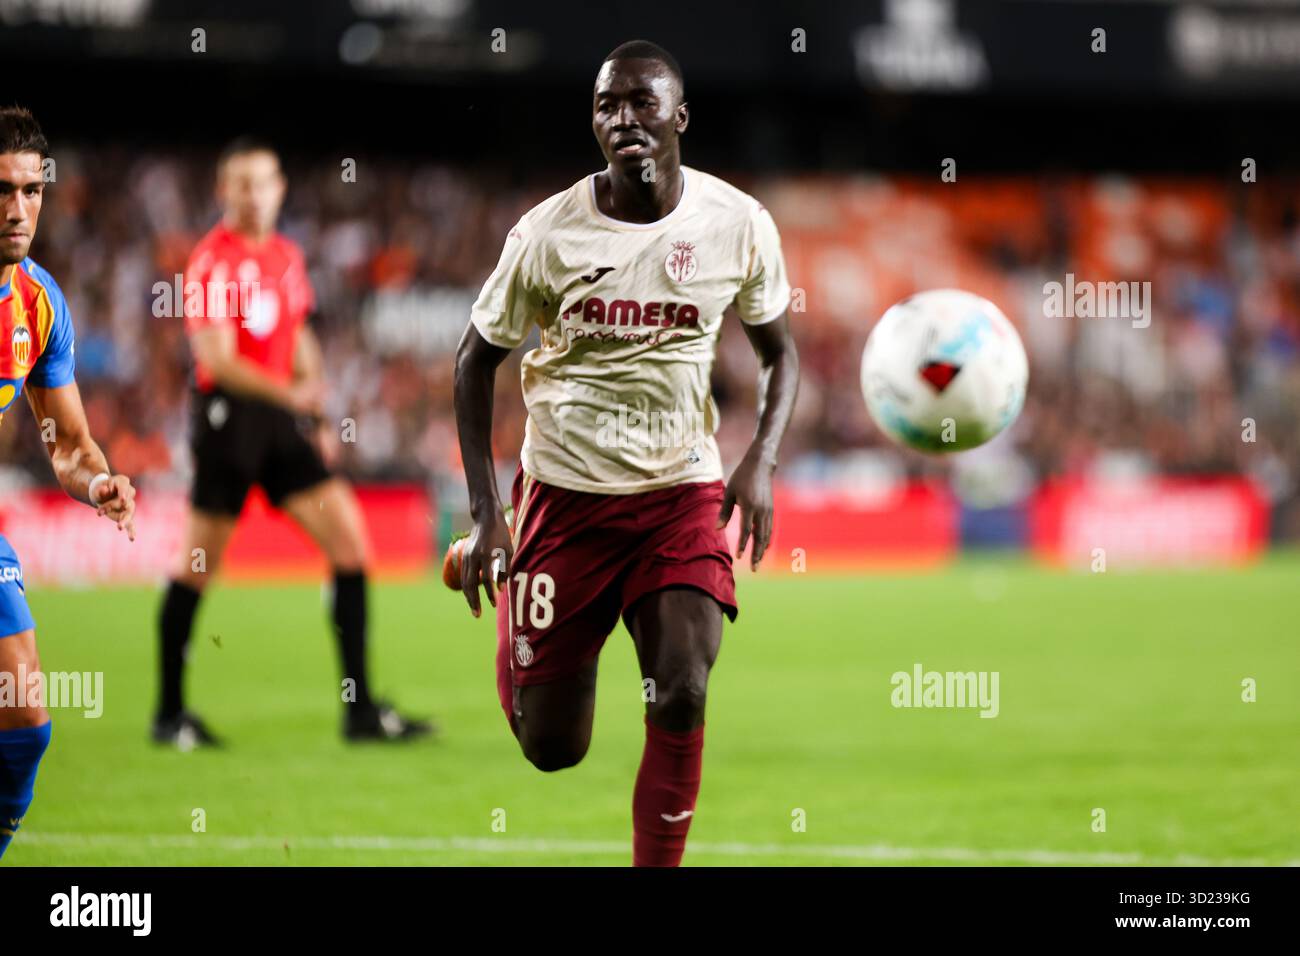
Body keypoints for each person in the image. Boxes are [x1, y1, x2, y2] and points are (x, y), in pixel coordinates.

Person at [452, 41, 800, 865]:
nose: (624, 119)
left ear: (680, 117)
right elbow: (474, 361)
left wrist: (761, 457)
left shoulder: (738, 224)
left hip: (680, 491)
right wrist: (487, 514)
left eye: (643, 103)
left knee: (681, 687)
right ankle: (503, 583)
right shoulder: (546, 235)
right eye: (608, 106)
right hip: (564, 497)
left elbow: (782, 351)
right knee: (551, 748)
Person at [155, 138, 430, 748]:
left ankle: (358, 711)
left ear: (280, 189)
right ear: (224, 191)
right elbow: (218, 362)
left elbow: (297, 334)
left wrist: (319, 406)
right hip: (229, 421)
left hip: (279, 422)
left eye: (265, 182)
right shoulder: (209, 263)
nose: (255, 195)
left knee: (351, 544)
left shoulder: (285, 256)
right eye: (242, 184)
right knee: (198, 565)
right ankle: (169, 713)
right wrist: (295, 396)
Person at [0, 106, 137, 858]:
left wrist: (100, 483)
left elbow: (69, 442)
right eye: (2, 190)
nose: (18, 209)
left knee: (24, 722)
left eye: (31, 191)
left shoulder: (38, 303)